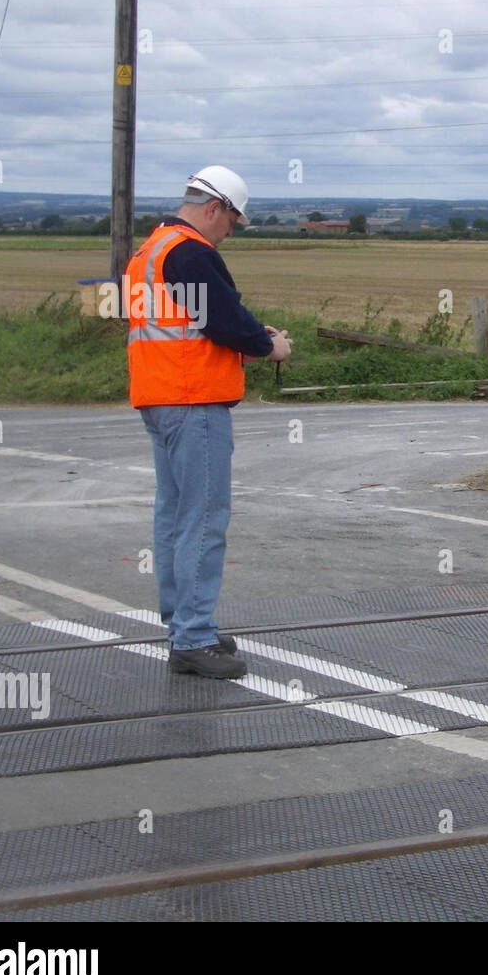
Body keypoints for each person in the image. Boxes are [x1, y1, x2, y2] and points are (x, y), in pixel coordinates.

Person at [125, 166, 292, 678]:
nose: (230, 234)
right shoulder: (193, 251)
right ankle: (193, 638)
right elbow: (220, 319)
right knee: (203, 520)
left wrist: (244, 331)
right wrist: (268, 345)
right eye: (232, 223)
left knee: (176, 517)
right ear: (214, 207)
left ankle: (183, 624)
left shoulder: (151, 249)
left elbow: (195, 319)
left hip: (159, 398)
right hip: (193, 401)